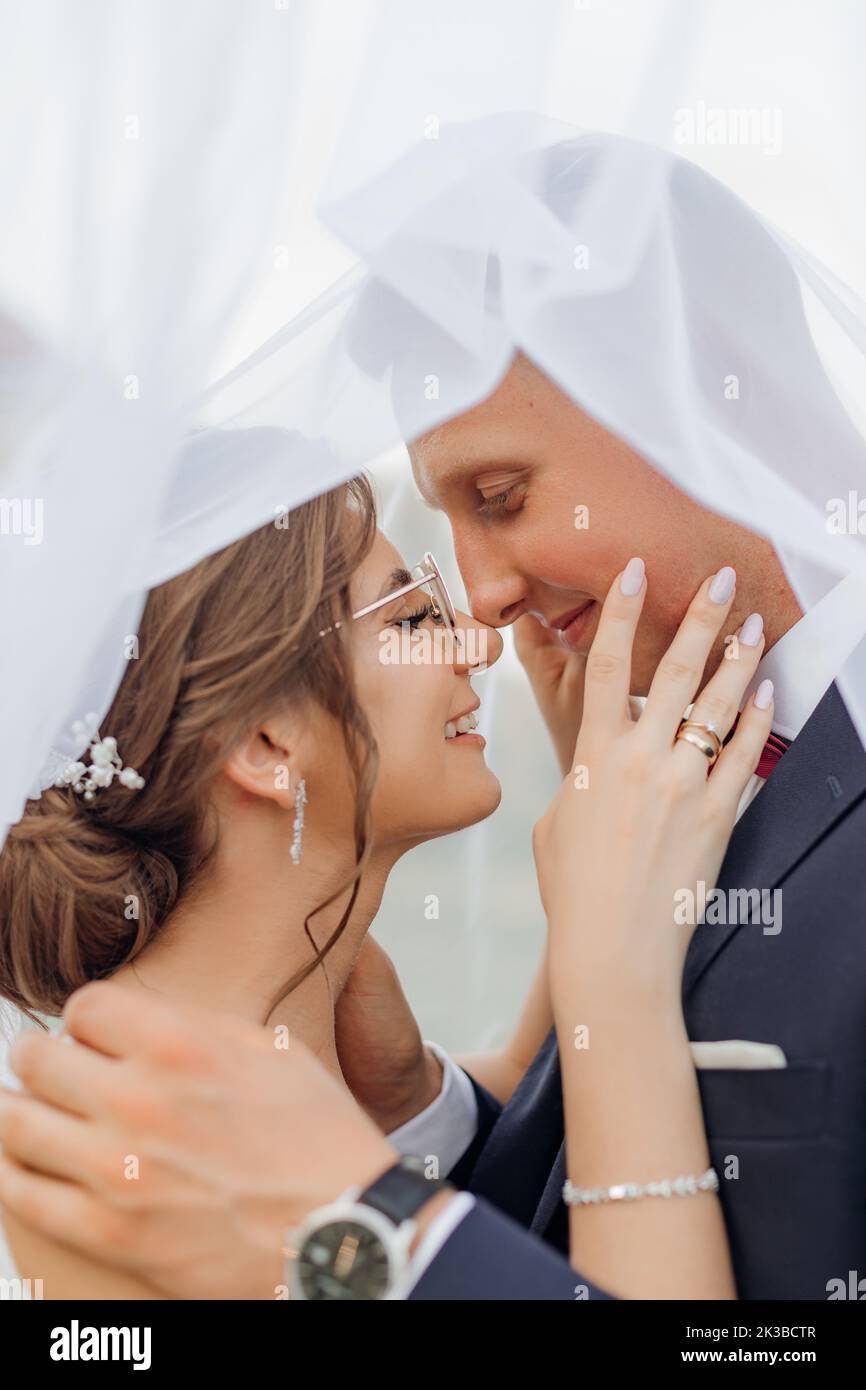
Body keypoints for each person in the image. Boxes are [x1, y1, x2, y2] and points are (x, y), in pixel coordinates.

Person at [0, 428, 775, 1297]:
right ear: (264, 741)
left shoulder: (303, 1062)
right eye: (412, 617)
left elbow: (522, 1130)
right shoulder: (156, 1154)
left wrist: (597, 804)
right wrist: (615, 977)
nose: (480, 643)